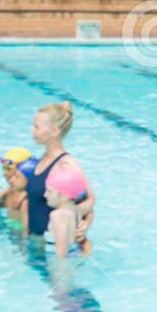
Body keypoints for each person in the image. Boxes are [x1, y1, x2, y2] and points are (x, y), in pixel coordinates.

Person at [24, 101, 96, 245]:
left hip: (53, 247)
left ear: (55, 130)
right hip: (36, 243)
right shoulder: (43, 158)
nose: (31, 131)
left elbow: (90, 199)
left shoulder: (66, 164)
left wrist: (85, 223)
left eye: (36, 127)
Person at [42, 164, 92, 256]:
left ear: (64, 195)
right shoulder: (77, 211)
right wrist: (87, 222)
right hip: (74, 255)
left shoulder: (58, 215)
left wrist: (59, 270)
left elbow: (61, 254)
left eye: (49, 191)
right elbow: (90, 207)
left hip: (61, 266)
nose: (45, 195)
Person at [0, 146, 32, 223]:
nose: (4, 173)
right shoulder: (7, 193)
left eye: (8, 169)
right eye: (3, 168)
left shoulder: (30, 198)